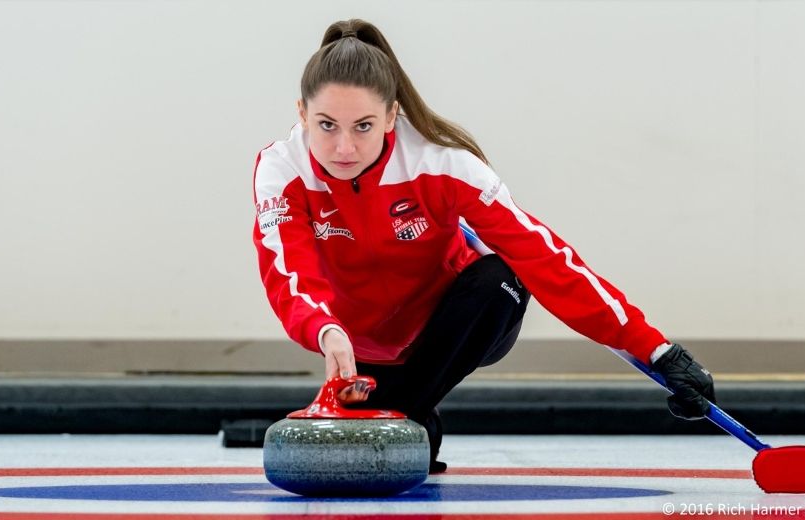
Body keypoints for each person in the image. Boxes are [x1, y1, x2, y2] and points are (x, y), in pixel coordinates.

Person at [252, 19, 715, 473]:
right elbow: (289, 273)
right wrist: (325, 330)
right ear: (301, 113)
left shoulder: (444, 164)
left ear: (392, 116)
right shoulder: (281, 169)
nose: (344, 148)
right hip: (353, 342)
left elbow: (547, 259)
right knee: (383, 409)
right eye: (327, 125)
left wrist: (657, 350)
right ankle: (410, 411)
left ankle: (402, 413)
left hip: (449, 331)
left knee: (504, 276)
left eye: (364, 126)